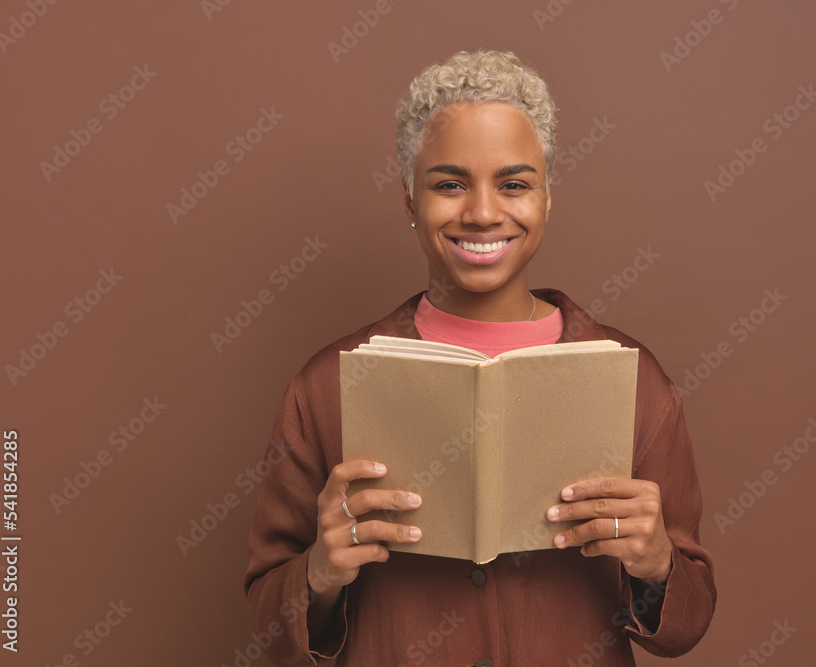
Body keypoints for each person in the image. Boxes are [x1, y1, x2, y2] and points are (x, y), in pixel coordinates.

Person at [244, 50, 716, 666]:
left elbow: (689, 621)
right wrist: (319, 573)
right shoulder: (326, 385)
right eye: (449, 184)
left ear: (547, 198)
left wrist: (657, 565)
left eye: (514, 183)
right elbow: (265, 623)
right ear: (410, 200)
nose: (484, 212)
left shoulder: (629, 376)